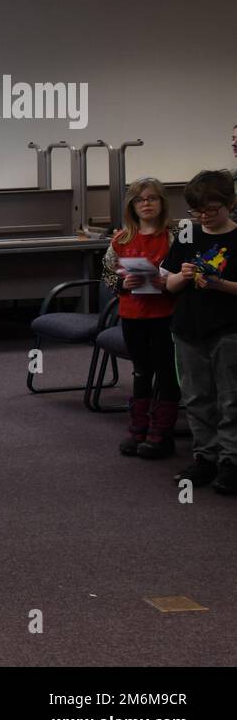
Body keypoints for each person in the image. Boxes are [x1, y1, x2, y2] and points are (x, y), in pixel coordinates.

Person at [160, 171, 237, 493]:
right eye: (197, 211)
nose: (204, 216)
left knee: (231, 399)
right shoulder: (188, 234)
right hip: (189, 328)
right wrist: (184, 275)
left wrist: (220, 284)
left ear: (230, 205)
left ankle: (231, 462)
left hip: (229, 329)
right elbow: (168, 282)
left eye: (212, 210)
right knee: (196, 397)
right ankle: (205, 457)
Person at [100, 178, 178, 457]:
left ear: (162, 203)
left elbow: (187, 273)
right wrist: (123, 285)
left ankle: (162, 433)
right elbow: (108, 275)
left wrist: (167, 282)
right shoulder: (122, 238)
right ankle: (138, 427)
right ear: (132, 206)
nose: (146, 204)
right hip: (132, 315)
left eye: (152, 198)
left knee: (167, 373)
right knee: (141, 371)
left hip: (165, 314)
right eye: (140, 200)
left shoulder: (175, 235)